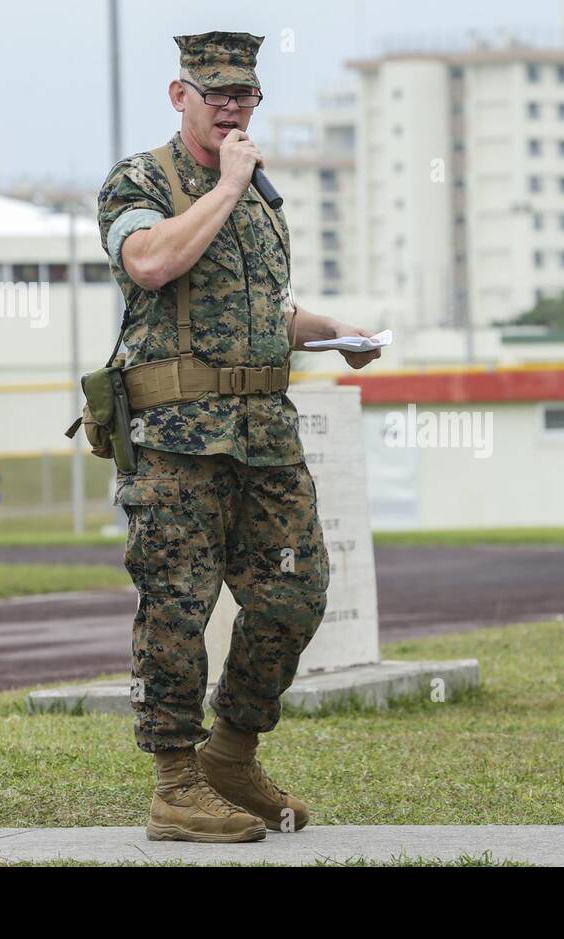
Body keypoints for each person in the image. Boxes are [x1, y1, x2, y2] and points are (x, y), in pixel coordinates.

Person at [98, 31, 382, 844]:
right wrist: (224, 186)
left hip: (262, 437)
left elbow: (261, 310)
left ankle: (230, 753)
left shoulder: (258, 193)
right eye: (212, 91)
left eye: (242, 94)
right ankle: (176, 785)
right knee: (177, 611)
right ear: (178, 94)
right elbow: (151, 265)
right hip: (177, 441)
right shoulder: (142, 181)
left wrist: (331, 330)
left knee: (296, 598)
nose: (229, 105)